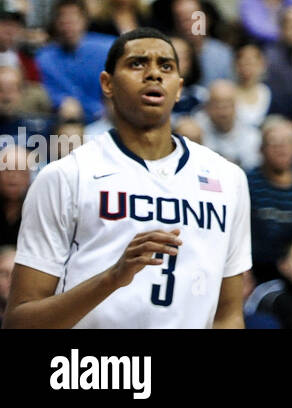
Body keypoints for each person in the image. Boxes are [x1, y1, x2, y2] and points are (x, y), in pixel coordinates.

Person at [5, 27, 250, 328]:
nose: (154, 74)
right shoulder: (65, 176)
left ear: (179, 88)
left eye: (166, 66)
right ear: (107, 84)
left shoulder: (228, 179)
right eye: (137, 63)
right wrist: (113, 277)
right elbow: (20, 322)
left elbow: (228, 316)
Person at [246, 118, 292, 283]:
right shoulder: (246, 183)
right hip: (254, 270)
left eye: (288, 143)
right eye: (274, 144)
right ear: (261, 149)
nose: (281, 149)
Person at [35, 0, 115, 123]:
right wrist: (61, 102)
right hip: (68, 121)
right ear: (55, 24)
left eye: (73, 21)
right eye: (63, 22)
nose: (68, 27)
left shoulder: (107, 48)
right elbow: (48, 92)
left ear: (84, 21)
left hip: (109, 117)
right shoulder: (44, 58)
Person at [194, 79, 261, 171]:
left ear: (236, 106)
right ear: (207, 107)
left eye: (227, 105)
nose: (222, 112)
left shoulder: (251, 135)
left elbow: (251, 169)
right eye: (216, 105)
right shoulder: (195, 129)